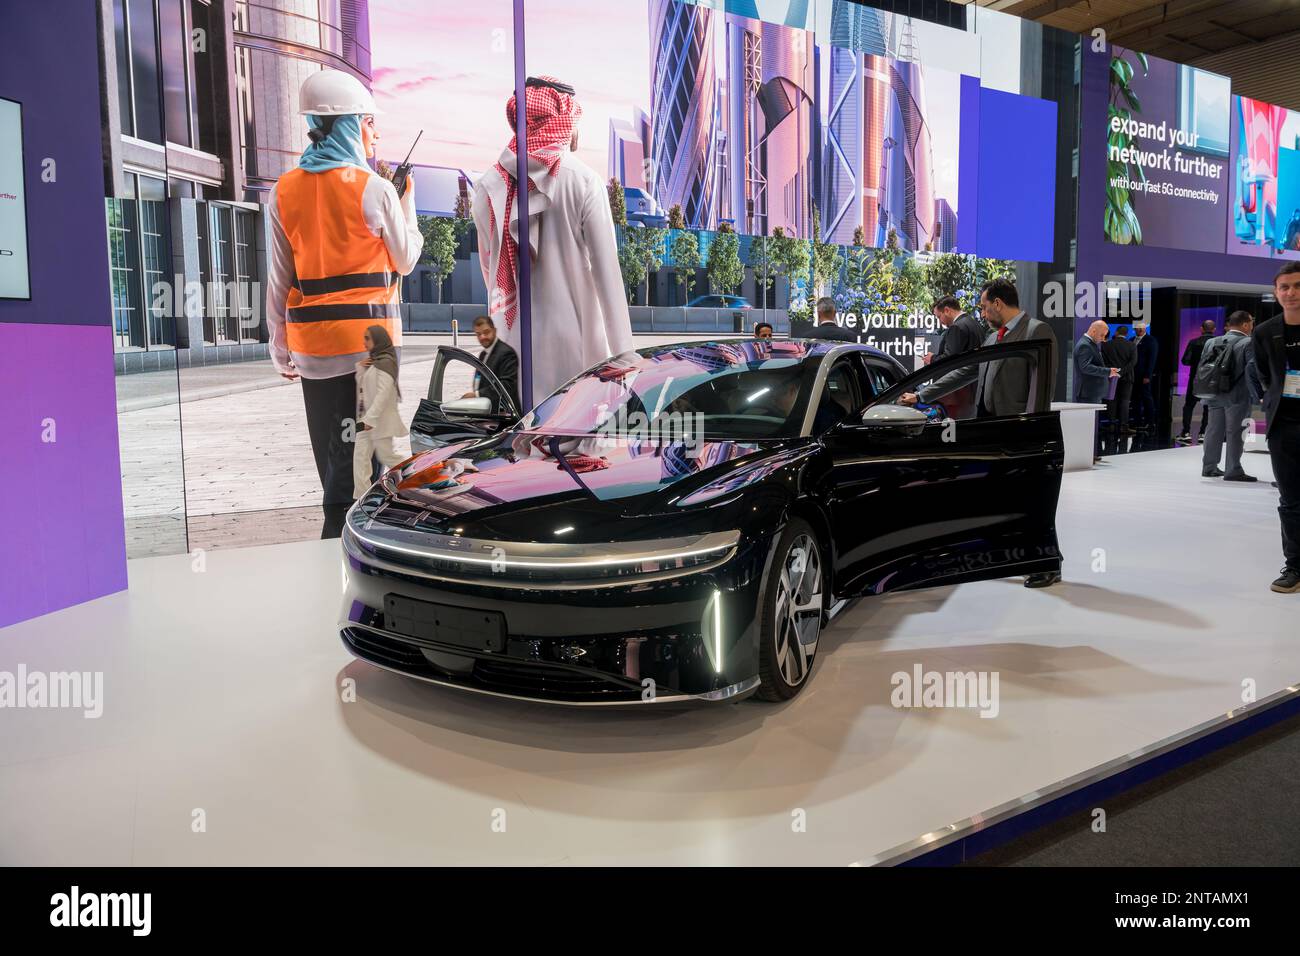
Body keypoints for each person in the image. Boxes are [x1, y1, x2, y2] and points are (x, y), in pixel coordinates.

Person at [265, 70, 422, 538]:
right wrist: (405, 202)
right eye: (370, 123)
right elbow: (407, 258)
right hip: (368, 351)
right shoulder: (376, 189)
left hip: (313, 350)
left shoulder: (283, 190)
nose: (376, 133)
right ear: (352, 123)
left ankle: (337, 530)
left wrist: (278, 345)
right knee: (369, 464)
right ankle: (351, 540)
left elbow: (278, 278)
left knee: (332, 454)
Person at [472, 75, 633, 407]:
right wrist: (625, 359)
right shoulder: (584, 181)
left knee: (523, 444)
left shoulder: (490, 184)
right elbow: (608, 278)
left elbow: (490, 272)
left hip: (511, 340)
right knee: (571, 440)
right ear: (565, 119)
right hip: (576, 337)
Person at [900, 279, 1060, 589]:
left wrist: (1032, 429)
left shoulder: (1036, 331)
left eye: (985, 307)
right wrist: (922, 396)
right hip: (991, 428)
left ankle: (1045, 564)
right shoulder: (991, 338)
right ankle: (1011, 556)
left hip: (1020, 430)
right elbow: (966, 372)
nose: (983, 314)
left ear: (998, 303)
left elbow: (1042, 385)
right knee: (1006, 496)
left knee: (1034, 497)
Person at [1252, 262, 1300, 592]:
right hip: (1284, 426)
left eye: (1297, 286)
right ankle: (1295, 566)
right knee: (1290, 499)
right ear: (1276, 292)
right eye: (1284, 287)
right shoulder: (1266, 332)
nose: (1291, 293)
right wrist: (1274, 403)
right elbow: (1261, 376)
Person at [1199, 311, 1256, 482]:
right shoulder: (1248, 342)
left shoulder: (1211, 341)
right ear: (1245, 324)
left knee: (1213, 430)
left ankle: (1209, 467)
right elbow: (1252, 370)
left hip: (1213, 392)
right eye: (1251, 323)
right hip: (1238, 394)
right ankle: (1233, 470)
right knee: (1236, 432)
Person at [353, 325, 408, 498]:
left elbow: (383, 394)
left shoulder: (386, 363)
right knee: (360, 459)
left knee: (388, 457)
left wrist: (371, 419)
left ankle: (417, 475)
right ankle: (361, 498)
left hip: (378, 421)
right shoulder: (374, 361)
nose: (364, 342)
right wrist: (360, 368)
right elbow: (362, 388)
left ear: (378, 339)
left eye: (367, 338)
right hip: (366, 419)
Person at [462, 315, 521, 414]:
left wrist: (476, 394)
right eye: (478, 334)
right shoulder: (483, 354)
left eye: (486, 332)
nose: (482, 337)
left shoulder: (506, 353)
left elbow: (507, 386)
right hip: (487, 413)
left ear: (494, 330)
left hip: (504, 416)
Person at [1177, 319, 1217, 442]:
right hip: (1211, 380)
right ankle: (1203, 433)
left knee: (1189, 405)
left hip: (1195, 378)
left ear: (1201, 329)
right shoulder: (1218, 343)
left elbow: (1185, 361)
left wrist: (1196, 362)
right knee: (1207, 407)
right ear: (1214, 330)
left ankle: (1186, 432)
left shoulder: (1194, 342)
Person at [1100, 324, 1136, 437]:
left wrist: (1114, 372)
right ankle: (1123, 426)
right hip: (1127, 377)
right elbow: (1133, 362)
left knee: (1112, 400)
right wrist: (1122, 372)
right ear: (1126, 334)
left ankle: (1111, 425)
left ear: (1116, 332)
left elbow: (1103, 362)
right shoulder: (1132, 345)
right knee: (1125, 402)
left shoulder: (1106, 345)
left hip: (1111, 377)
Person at [925, 295, 982, 365]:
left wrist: (932, 359)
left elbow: (950, 360)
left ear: (947, 310)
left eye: (939, 317)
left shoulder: (956, 327)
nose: (940, 322)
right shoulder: (973, 322)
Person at [1073, 320, 1119, 403]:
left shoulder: (1090, 344)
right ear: (1094, 331)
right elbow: (1085, 367)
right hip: (1088, 393)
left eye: (1104, 336)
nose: (1103, 339)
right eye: (1101, 335)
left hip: (1091, 393)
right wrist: (1108, 371)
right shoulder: (1085, 345)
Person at [1132, 322, 1159, 433]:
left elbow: (1152, 359)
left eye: (1142, 327)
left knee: (1147, 397)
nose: (1140, 329)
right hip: (1133, 375)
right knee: (1135, 398)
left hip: (1144, 375)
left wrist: (1148, 375)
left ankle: (1150, 421)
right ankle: (1137, 421)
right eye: (1138, 327)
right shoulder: (1131, 339)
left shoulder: (1151, 340)